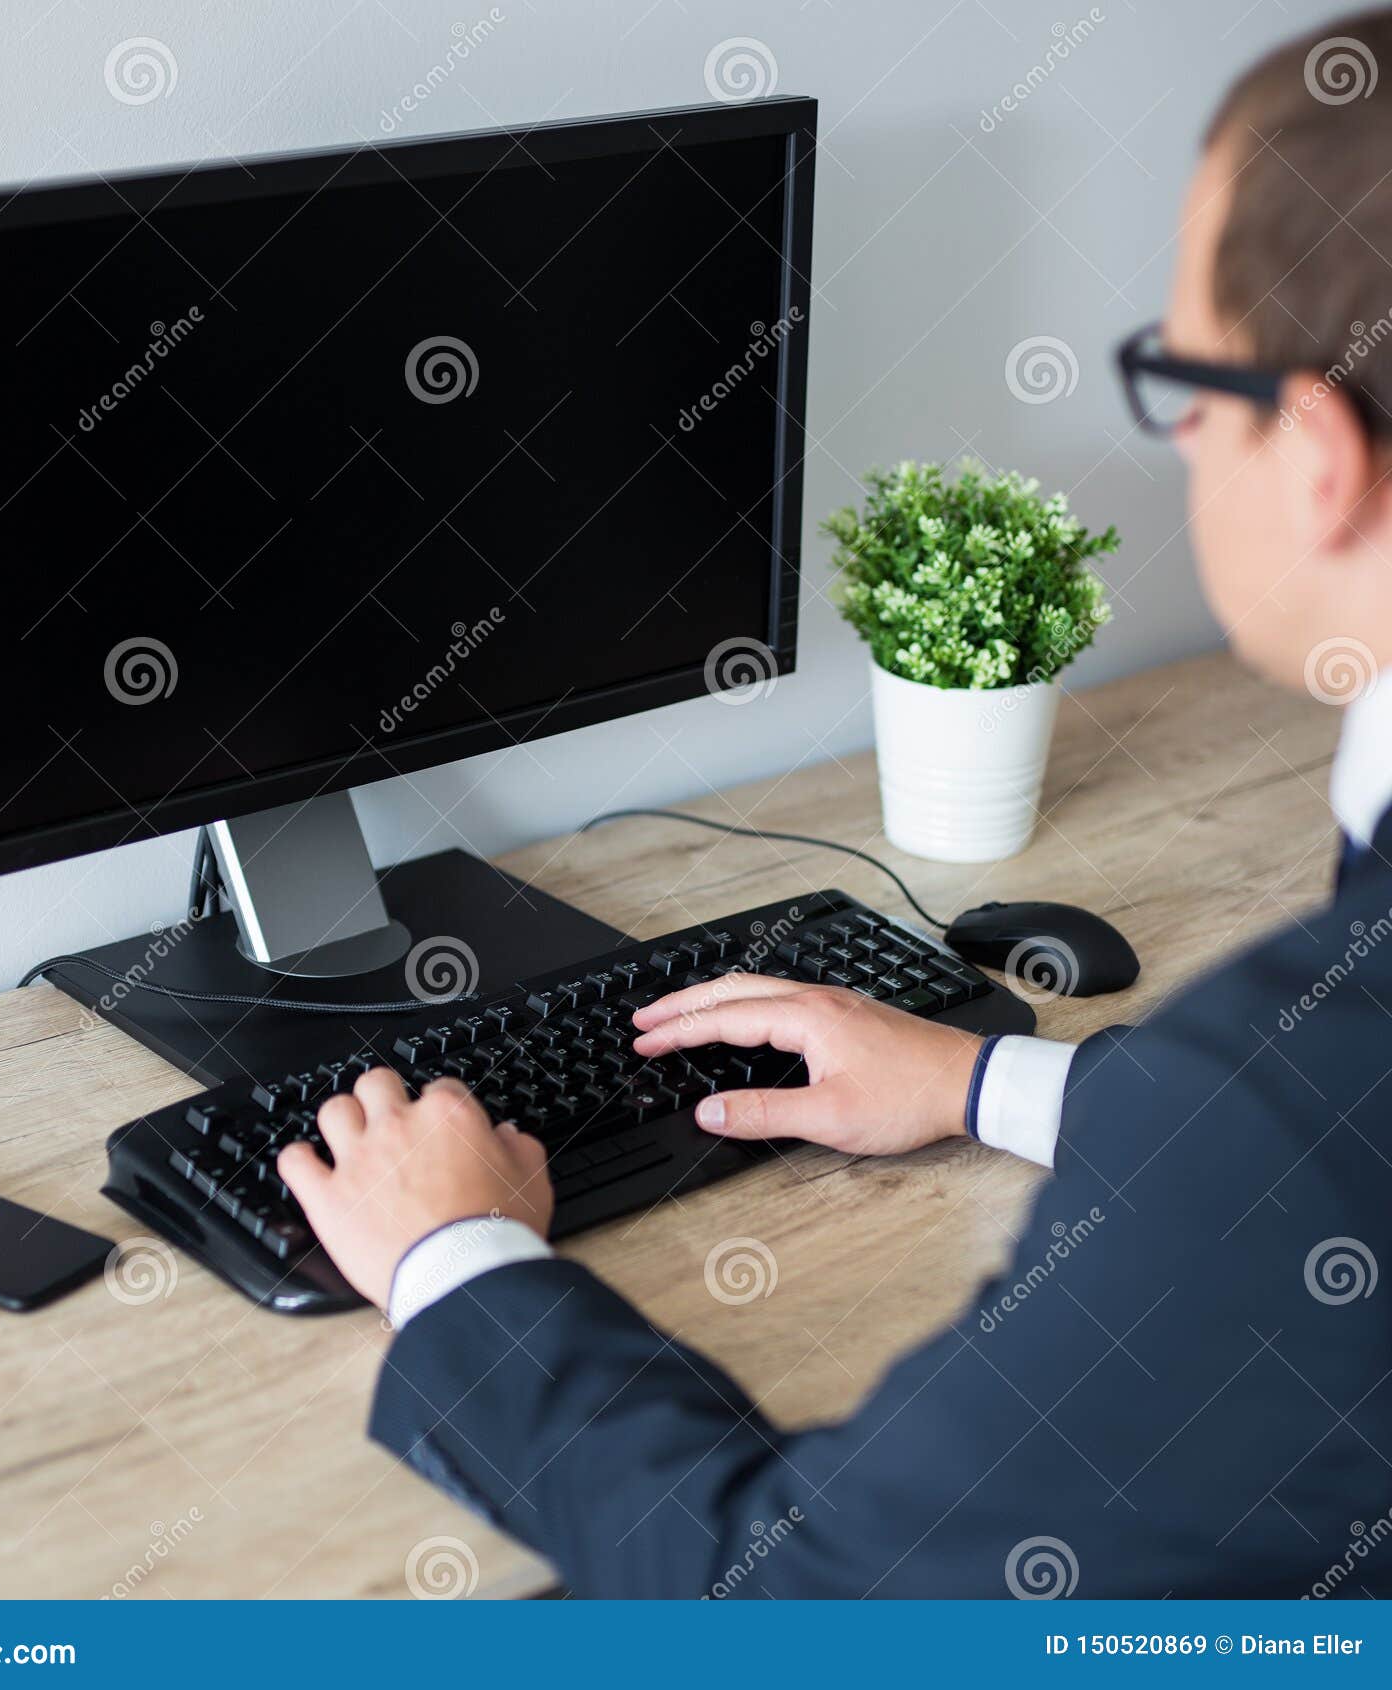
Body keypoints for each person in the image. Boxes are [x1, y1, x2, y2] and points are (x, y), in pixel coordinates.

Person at [278, 11, 1392, 1597]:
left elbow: (804, 1602)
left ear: (1323, 452)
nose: (1183, 436)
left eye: (1183, 376)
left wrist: (452, 1263)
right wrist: (988, 1080)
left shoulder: (1305, 1106)